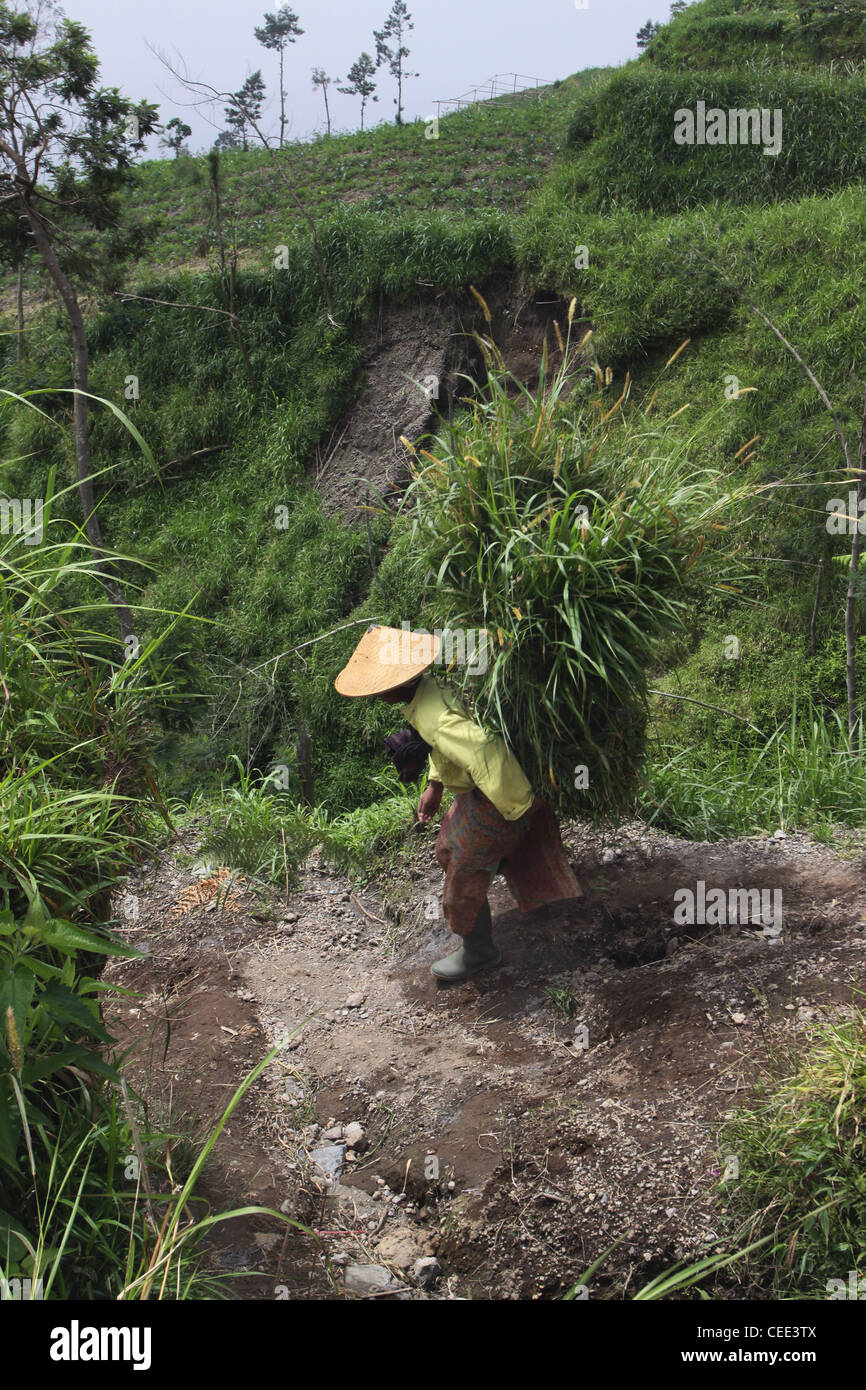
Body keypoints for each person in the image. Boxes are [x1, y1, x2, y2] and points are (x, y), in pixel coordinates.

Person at [334, 624, 582, 983]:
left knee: (462, 872)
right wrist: (434, 785)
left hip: (498, 795)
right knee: (447, 845)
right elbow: (448, 746)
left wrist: (516, 807)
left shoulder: (434, 717)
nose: (377, 696)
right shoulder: (432, 689)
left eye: (378, 689)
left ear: (394, 687)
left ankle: (479, 951)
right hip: (483, 792)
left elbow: (484, 751)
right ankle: (515, 881)